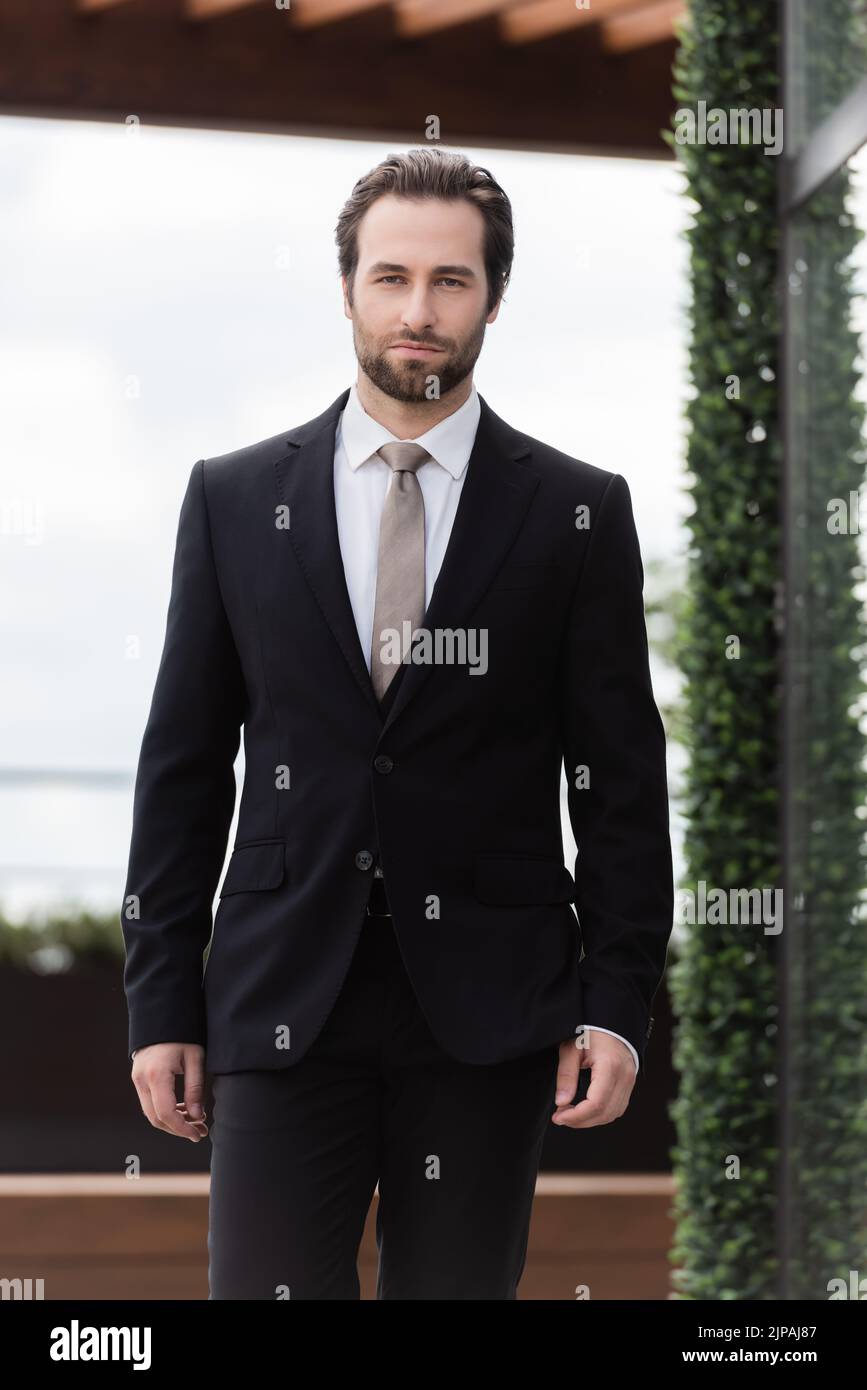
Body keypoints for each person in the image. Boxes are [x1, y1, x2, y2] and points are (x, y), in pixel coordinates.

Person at [121, 146, 674, 1300]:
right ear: (348, 288)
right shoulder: (232, 499)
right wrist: (160, 997)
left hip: (491, 1008)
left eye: (451, 281)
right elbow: (183, 767)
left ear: (493, 296)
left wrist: (616, 1007)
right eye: (391, 278)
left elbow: (619, 780)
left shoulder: (577, 511)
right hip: (280, 1000)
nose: (418, 311)